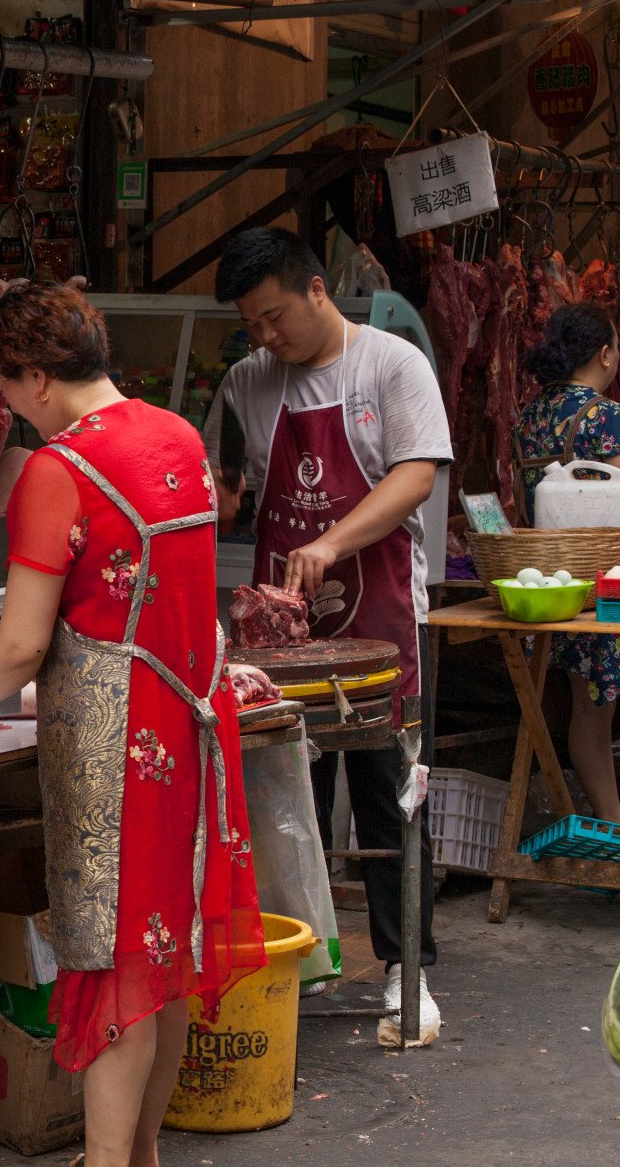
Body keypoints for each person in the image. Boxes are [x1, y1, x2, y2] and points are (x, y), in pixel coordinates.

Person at [0, 281, 265, 1167]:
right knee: (162, 967)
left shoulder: (59, 470)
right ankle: (141, 1153)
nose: (7, 409)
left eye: (5, 389)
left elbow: (20, 644)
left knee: (119, 975)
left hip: (116, 753)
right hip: (190, 729)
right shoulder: (178, 435)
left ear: (37, 378)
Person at [205, 225, 450, 1045]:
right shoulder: (246, 381)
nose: (267, 336)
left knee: (384, 796)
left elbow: (417, 472)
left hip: (377, 619)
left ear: (316, 289)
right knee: (283, 800)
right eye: (253, 324)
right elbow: (224, 475)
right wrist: (222, 491)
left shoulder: (389, 363)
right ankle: (296, 961)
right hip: (282, 630)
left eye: (276, 316)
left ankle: (404, 974)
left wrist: (332, 540)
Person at [515, 302, 620, 823]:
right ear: (604, 353)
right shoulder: (604, 415)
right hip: (607, 584)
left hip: (555, 582)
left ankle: (610, 825)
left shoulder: (530, 414)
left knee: (590, 717)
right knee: (596, 719)